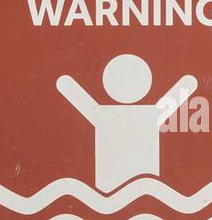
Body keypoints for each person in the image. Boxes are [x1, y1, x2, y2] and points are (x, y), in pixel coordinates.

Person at [56, 54, 197, 193]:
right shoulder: (149, 114)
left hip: (119, 191)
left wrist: (67, 84)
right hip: (140, 191)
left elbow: (77, 96)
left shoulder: (108, 114)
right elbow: (182, 90)